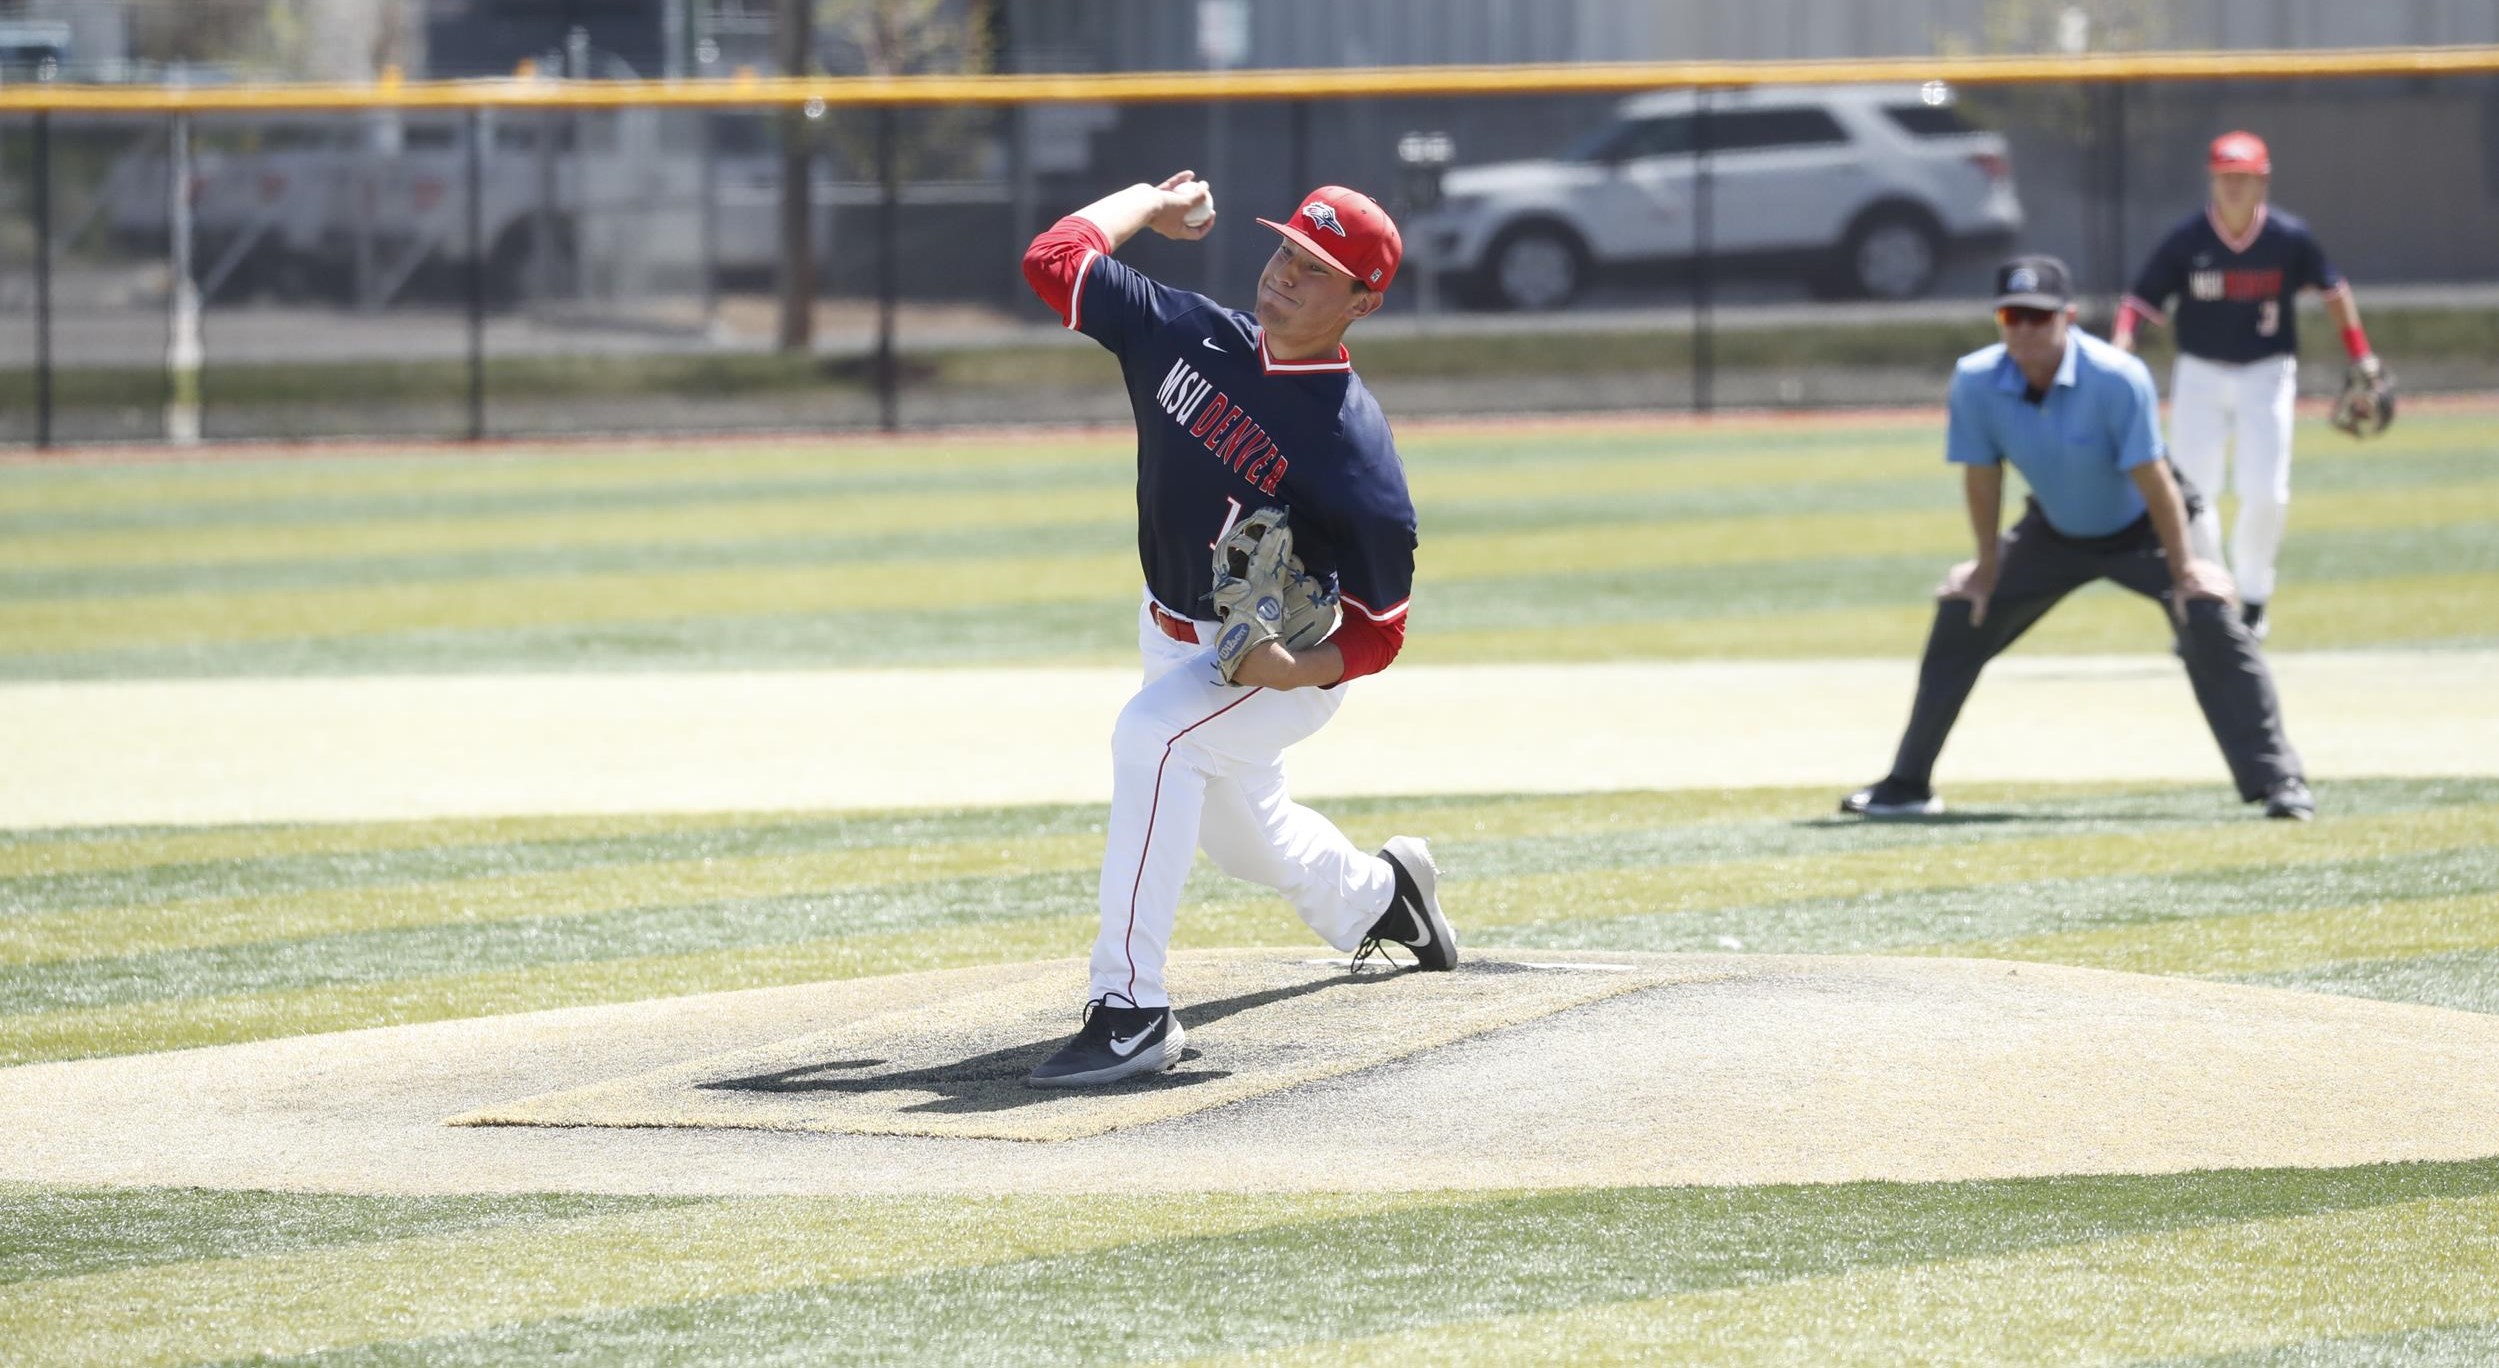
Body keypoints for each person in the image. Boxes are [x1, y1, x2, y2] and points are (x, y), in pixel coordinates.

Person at [1017, 171, 1458, 1089]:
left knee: (1154, 738)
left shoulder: (1355, 459)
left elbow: (1380, 632)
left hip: (1272, 674)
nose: (1288, 275)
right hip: (1171, 634)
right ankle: (1386, 896)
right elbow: (1052, 259)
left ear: (1362, 302)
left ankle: (1130, 1010)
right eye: (1287, 251)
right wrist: (1145, 199)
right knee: (1242, 842)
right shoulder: (1184, 331)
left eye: (1320, 269)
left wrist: (1292, 672)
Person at [1842, 255, 2314, 822]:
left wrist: (2188, 569)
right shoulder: (1975, 380)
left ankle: (2279, 781)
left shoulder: (2116, 376)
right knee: (1962, 613)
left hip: (2148, 527)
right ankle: (1908, 784)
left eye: (2038, 317)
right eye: (2011, 316)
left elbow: (2155, 478)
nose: (2023, 329)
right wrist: (1986, 566)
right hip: (2056, 528)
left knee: (2210, 619)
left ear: (2067, 317)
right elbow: (1983, 475)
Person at [2113, 130, 2383, 641]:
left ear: (2263, 181)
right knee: (2192, 495)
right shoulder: (2188, 239)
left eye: (2244, 178)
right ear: (2212, 180)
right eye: (2225, 177)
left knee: (2265, 492)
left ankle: (2254, 599)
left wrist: (2361, 354)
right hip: (2200, 374)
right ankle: (2211, 597)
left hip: (2267, 373)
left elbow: (2334, 290)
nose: (2233, 187)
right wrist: (2121, 344)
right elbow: (2138, 301)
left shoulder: (2288, 237)